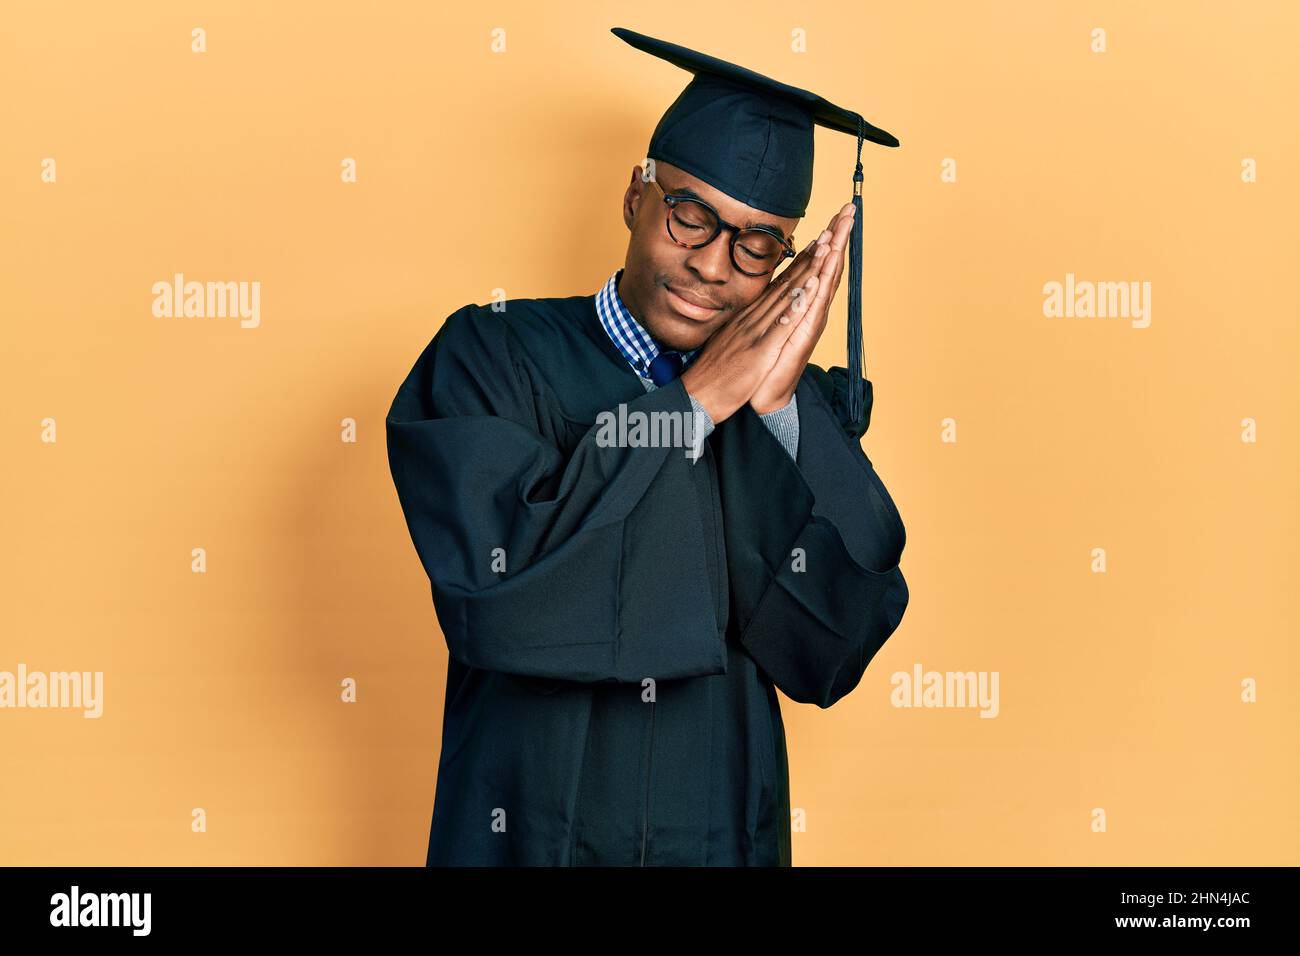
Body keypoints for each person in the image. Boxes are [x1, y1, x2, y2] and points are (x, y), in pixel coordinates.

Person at [385, 26, 909, 866]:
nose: (714, 265)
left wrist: (780, 412)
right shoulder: (490, 353)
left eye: (758, 242)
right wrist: (697, 404)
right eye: (692, 215)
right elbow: (501, 593)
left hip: (717, 834)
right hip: (525, 831)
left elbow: (832, 649)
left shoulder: (788, 407)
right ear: (637, 196)